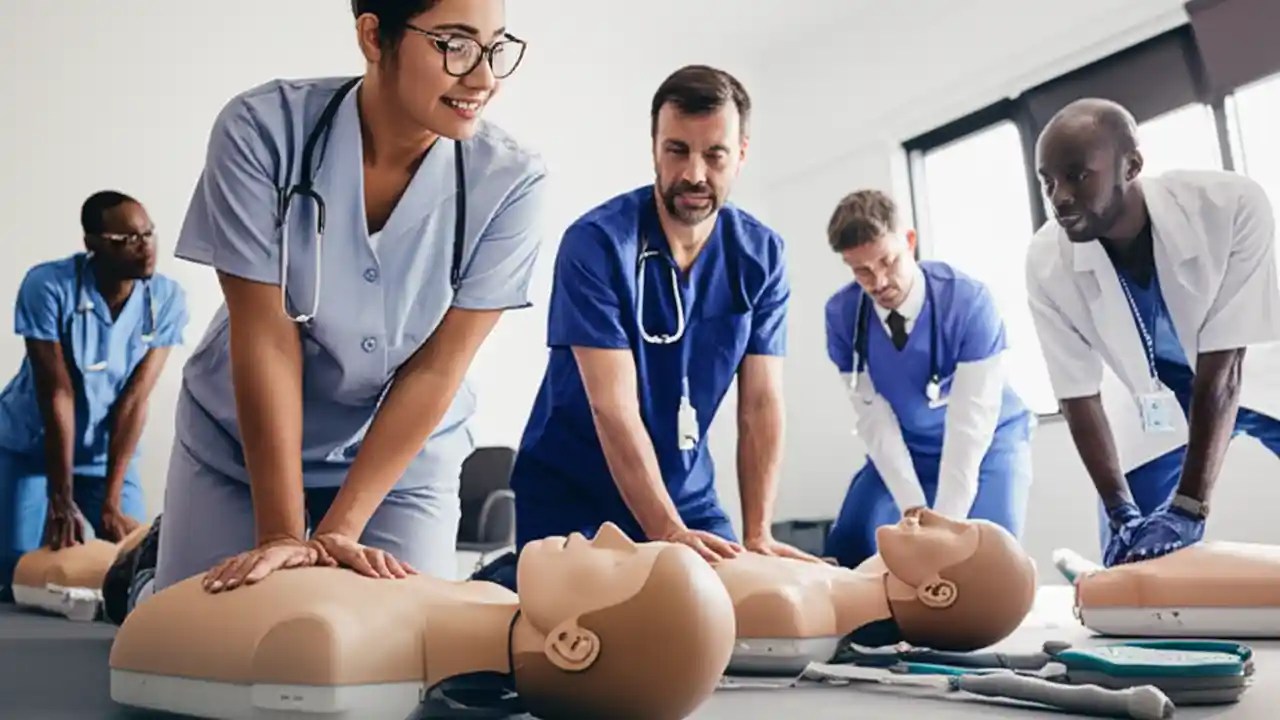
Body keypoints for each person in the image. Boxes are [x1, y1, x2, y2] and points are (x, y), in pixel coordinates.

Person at [151, 0, 548, 593]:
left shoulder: (512, 181)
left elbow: (439, 368)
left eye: (495, 47)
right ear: (373, 36)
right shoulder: (262, 131)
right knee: (197, 637)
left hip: (401, 460)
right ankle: (137, 574)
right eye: (455, 45)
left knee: (397, 651)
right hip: (237, 444)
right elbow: (266, 337)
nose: (484, 77)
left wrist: (338, 534)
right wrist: (285, 536)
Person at [507, 64, 814, 566]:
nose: (694, 173)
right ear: (654, 146)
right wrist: (665, 532)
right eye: (677, 150)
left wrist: (757, 532)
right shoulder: (598, 245)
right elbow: (614, 409)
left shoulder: (761, 256)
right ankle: (505, 579)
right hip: (575, 494)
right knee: (595, 627)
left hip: (688, 495)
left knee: (740, 608)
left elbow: (760, 403)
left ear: (740, 154)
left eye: (714, 154)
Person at [111, 522, 736, 720]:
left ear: (572, 644)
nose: (606, 531)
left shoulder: (328, 645)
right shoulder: (491, 602)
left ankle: (131, 554)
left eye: (619, 557)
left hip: (168, 599)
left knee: (123, 565)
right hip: (300, 549)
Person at [1027, 97, 1280, 567]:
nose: (1059, 196)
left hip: (1253, 373)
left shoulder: (1230, 206)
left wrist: (1189, 505)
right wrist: (1119, 507)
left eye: (1078, 175)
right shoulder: (1047, 263)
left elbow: (1223, 372)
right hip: (1156, 404)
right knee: (1128, 560)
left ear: (1132, 165)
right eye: (1048, 182)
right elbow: (1077, 395)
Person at [820, 190, 1035, 569]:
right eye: (862, 271)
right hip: (908, 447)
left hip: (989, 444)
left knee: (989, 560)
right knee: (851, 540)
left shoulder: (968, 302)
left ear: (910, 241)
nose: (880, 281)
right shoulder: (843, 315)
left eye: (888, 261)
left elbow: (971, 422)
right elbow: (873, 418)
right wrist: (912, 506)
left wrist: (942, 524)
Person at [0, 191, 188, 600]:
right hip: (32, 447)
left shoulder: (166, 298)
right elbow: (57, 393)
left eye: (148, 234)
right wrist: (60, 497)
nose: (145, 247)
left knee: (132, 560)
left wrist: (111, 498)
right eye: (127, 239)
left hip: (107, 454)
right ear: (93, 243)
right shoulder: (48, 286)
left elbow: (135, 400)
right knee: (12, 565)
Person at [719, 507, 1036, 663]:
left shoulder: (792, 610)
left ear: (936, 591)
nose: (928, 513)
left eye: (955, 530)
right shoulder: (830, 579)